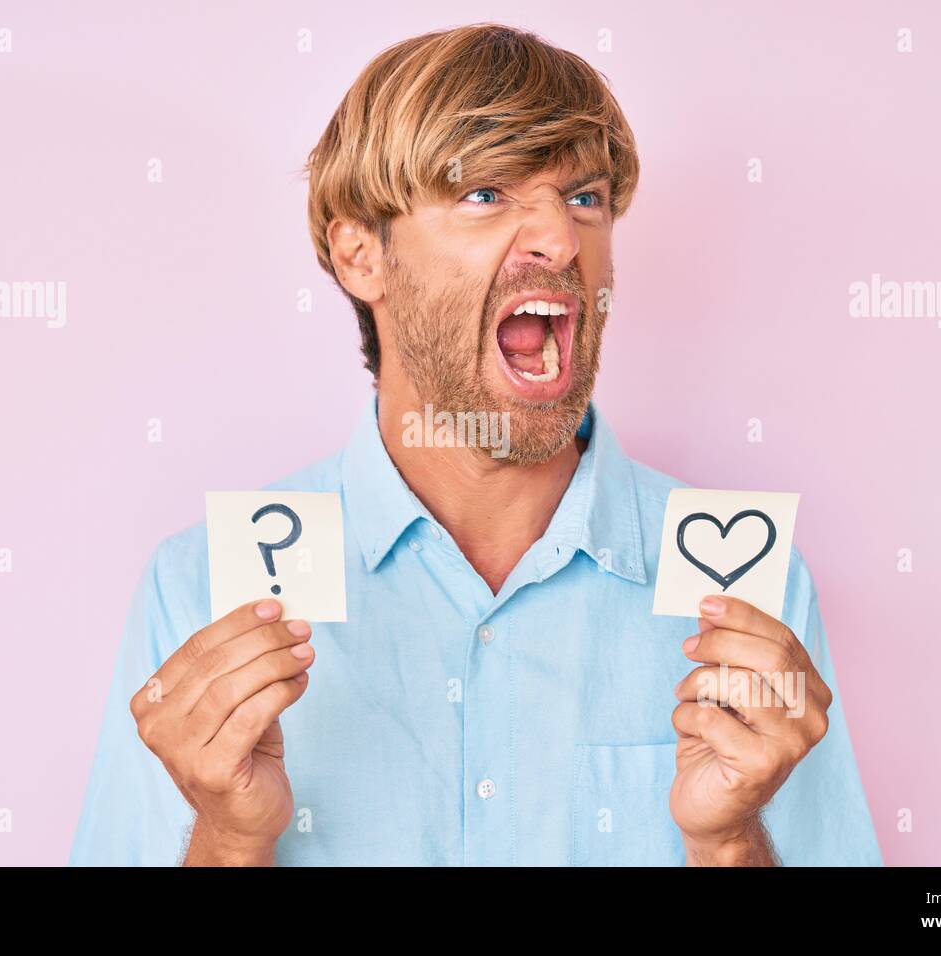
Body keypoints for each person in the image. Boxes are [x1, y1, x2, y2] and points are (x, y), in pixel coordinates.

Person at [69, 23, 881, 866]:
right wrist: (230, 841)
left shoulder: (749, 581)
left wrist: (729, 846)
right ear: (360, 255)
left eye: (585, 198)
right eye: (486, 194)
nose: (561, 240)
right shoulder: (200, 587)